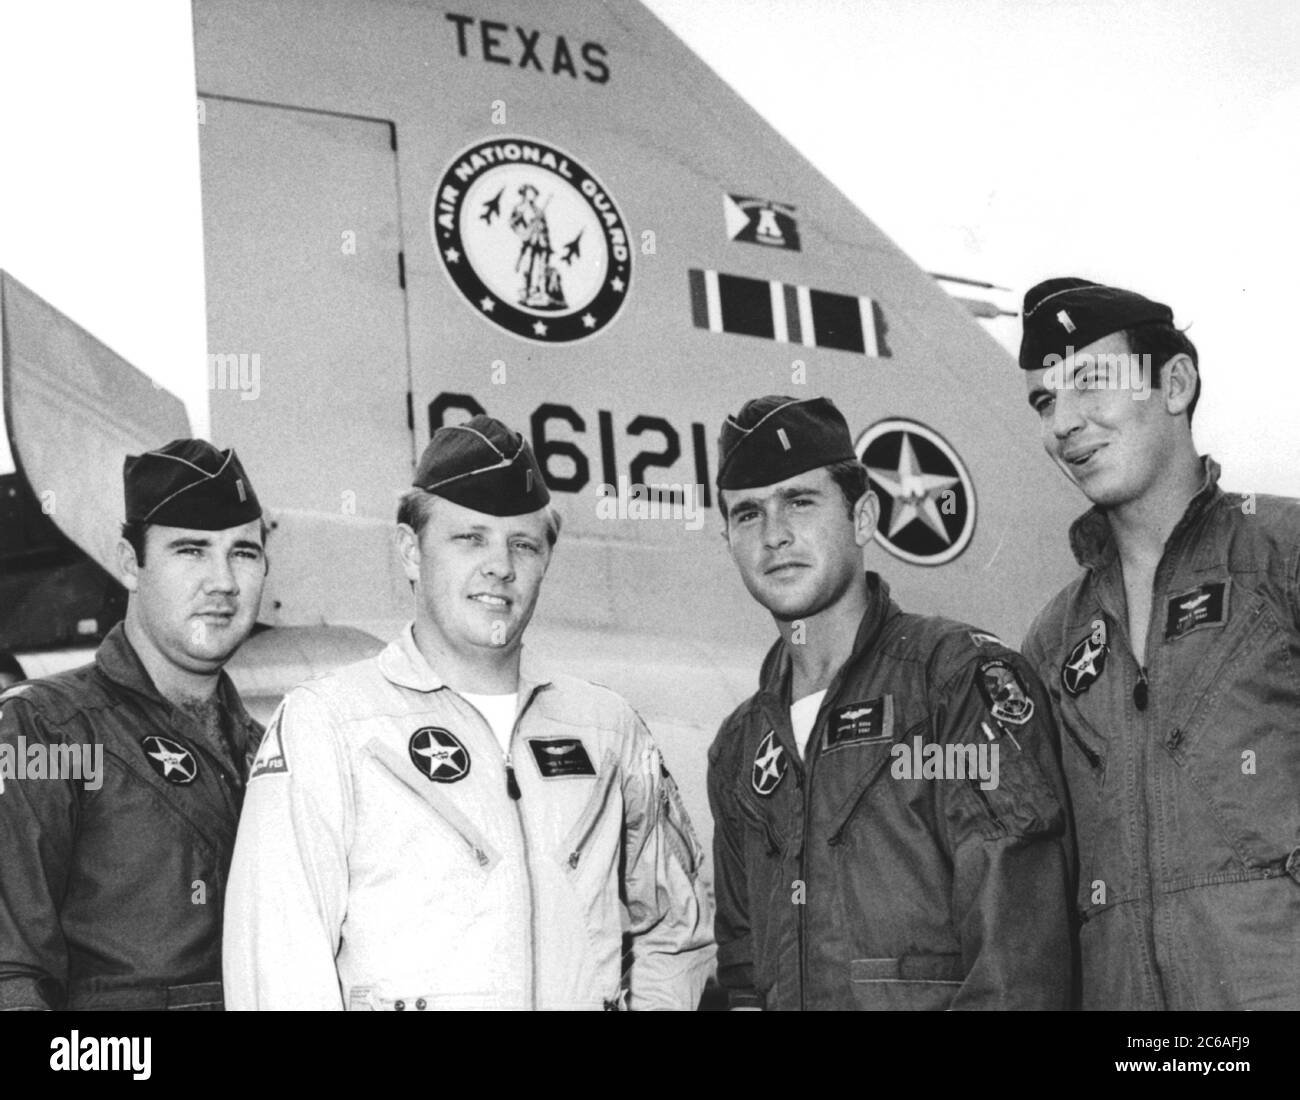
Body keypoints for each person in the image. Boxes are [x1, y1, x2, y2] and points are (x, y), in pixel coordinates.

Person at [223, 415, 713, 1010]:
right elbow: (277, 972)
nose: (500, 566)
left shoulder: (608, 730)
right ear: (410, 551)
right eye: (470, 538)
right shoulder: (329, 726)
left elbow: (675, 930)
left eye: (523, 544)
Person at [707, 395, 1074, 1011]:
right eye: (748, 515)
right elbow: (744, 970)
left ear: (863, 518)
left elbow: (1017, 963)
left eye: (800, 501)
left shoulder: (955, 686)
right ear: (729, 542)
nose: (774, 534)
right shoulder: (743, 746)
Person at [1019, 277, 1300, 1010]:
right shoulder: (1053, 642)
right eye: (1045, 400)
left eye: (1089, 382)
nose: (1065, 423)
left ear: (1174, 383)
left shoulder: (1284, 557)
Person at [0, 439, 267, 1010]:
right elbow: (8, 975)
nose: (223, 581)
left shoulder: (266, 752)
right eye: (191, 551)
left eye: (244, 551)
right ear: (130, 562)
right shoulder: (43, 731)